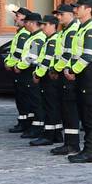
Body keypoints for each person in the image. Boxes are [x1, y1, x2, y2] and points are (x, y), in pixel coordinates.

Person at [63, 0, 92, 163]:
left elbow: (87, 55)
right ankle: (86, 149)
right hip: (82, 71)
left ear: (88, 9)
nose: (75, 9)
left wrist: (73, 69)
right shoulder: (82, 27)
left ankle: (90, 151)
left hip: (89, 72)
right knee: (84, 110)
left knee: (89, 112)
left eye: (78, 7)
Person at [48, 3, 80, 156]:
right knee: (65, 110)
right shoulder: (64, 31)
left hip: (68, 74)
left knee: (70, 110)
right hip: (63, 73)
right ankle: (68, 142)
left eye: (61, 14)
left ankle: (72, 144)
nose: (58, 17)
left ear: (70, 14)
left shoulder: (73, 30)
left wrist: (56, 68)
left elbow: (67, 55)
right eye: (57, 15)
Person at [31, 15, 61, 147]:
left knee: (50, 106)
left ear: (53, 25)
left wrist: (37, 74)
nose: (42, 27)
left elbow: (46, 61)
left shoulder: (53, 40)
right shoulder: (50, 39)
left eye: (45, 24)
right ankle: (56, 134)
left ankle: (48, 135)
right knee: (52, 106)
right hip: (49, 75)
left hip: (48, 77)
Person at [2, 6, 33, 134]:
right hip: (19, 68)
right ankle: (23, 122)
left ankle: (25, 123)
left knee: (24, 98)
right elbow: (14, 51)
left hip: (22, 70)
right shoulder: (21, 32)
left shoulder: (24, 34)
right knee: (21, 97)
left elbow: (20, 54)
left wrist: (11, 64)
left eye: (18, 16)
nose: (15, 18)